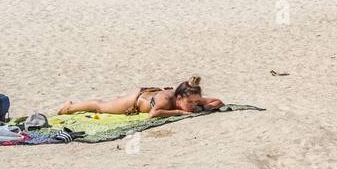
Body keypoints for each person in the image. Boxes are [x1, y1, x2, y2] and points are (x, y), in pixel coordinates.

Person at [58, 77, 224, 117]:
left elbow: (219, 101)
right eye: (190, 102)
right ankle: (69, 107)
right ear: (179, 98)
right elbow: (154, 113)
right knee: (101, 107)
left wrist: (205, 107)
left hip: (150, 92)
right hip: (137, 100)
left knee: (108, 103)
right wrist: (179, 113)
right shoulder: (166, 100)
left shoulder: (191, 97)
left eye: (196, 101)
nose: (194, 105)